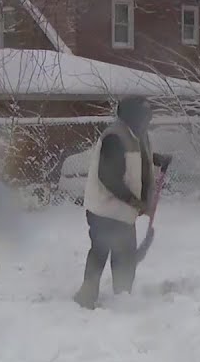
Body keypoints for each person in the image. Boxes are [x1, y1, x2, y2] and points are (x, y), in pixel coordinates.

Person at [73, 96, 172, 309]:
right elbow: (108, 176)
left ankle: (123, 296)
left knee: (125, 254)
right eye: (144, 117)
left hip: (124, 210)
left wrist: (157, 159)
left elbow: (137, 156)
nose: (148, 121)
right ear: (132, 117)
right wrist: (133, 201)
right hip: (104, 208)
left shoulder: (138, 135)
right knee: (100, 250)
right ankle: (86, 295)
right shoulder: (115, 137)